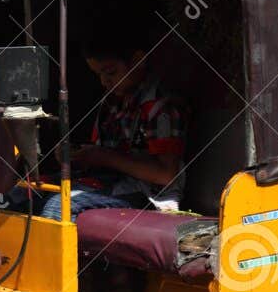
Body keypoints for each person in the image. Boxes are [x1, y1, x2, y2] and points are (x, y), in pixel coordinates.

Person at [41, 30, 188, 219]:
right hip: (106, 184)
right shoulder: (111, 103)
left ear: (137, 60)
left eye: (110, 72)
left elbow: (166, 174)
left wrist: (103, 156)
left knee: (58, 207)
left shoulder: (161, 105)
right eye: (98, 74)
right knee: (24, 193)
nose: (104, 81)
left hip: (148, 197)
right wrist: (78, 156)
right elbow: (99, 154)